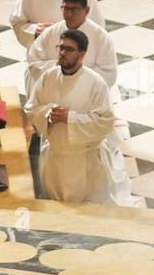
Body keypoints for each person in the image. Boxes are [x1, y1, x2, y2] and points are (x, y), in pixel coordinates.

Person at [27, 29, 128, 205]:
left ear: (82, 54)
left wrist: (70, 118)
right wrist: (48, 113)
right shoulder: (48, 77)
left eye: (69, 49)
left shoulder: (95, 83)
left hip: (85, 161)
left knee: (88, 218)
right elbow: (31, 108)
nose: (63, 53)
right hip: (55, 158)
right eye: (61, 48)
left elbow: (105, 122)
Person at [24, 0, 118, 94]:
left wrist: (76, 73)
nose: (69, 14)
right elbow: (34, 63)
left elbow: (109, 75)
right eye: (65, 9)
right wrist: (58, 67)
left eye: (74, 9)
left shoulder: (101, 37)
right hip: (54, 92)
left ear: (86, 11)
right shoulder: (50, 33)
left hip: (85, 96)